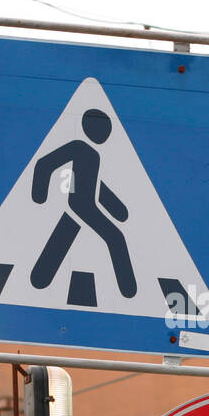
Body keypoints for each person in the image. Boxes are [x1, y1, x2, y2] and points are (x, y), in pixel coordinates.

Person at [29, 108, 137, 298]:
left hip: (81, 206)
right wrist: (39, 195)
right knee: (116, 238)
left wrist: (118, 209)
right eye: (104, 129)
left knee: (61, 239)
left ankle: (39, 279)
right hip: (82, 206)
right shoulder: (79, 147)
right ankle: (129, 291)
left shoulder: (92, 154)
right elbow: (45, 164)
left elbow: (95, 185)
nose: (106, 135)